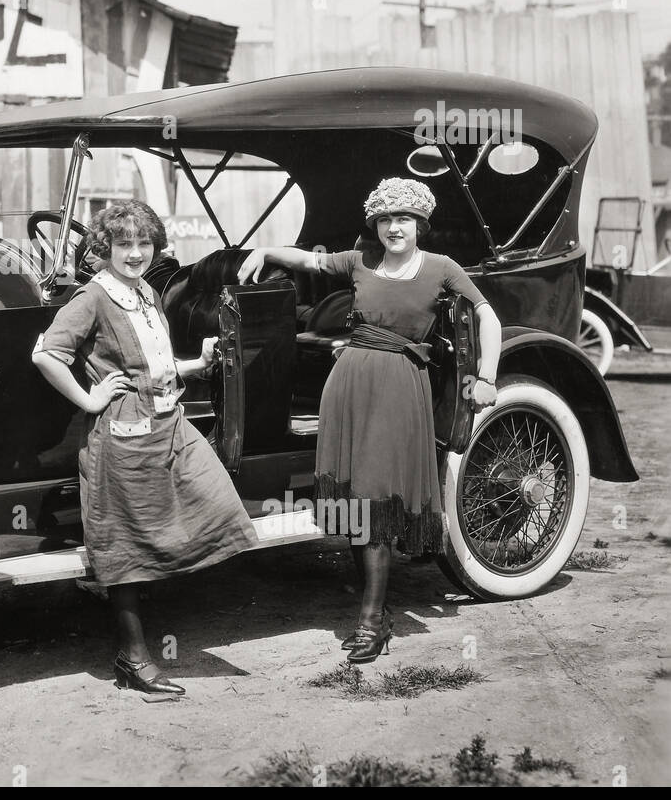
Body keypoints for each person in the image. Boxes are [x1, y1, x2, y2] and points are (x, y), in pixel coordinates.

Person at [238, 177, 502, 662]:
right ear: (375, 226)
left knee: (377, 496)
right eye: (384, 220)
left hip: (401, 385)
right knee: (357, 499)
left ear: (420, 224)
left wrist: (486, 375)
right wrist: (267, 251)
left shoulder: (442, 268)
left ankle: (371, 620)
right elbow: (311, 260)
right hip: (349, 385)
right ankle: (374, 617)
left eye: (402, 219)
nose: (393, 228)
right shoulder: (360, 261)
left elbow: (488, 316)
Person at [32, 199, 259, 696]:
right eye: (124, 244)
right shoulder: (94, 297)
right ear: (105, 248)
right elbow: (47, 354)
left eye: (143, 243)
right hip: (124, 435)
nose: (135, 253)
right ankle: (133, 658)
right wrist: (90, 398)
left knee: (219, 504)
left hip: (169, 423)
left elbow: (151, 366)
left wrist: (195, 364)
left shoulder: (146, 292)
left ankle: (141, 610)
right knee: (127, 546)